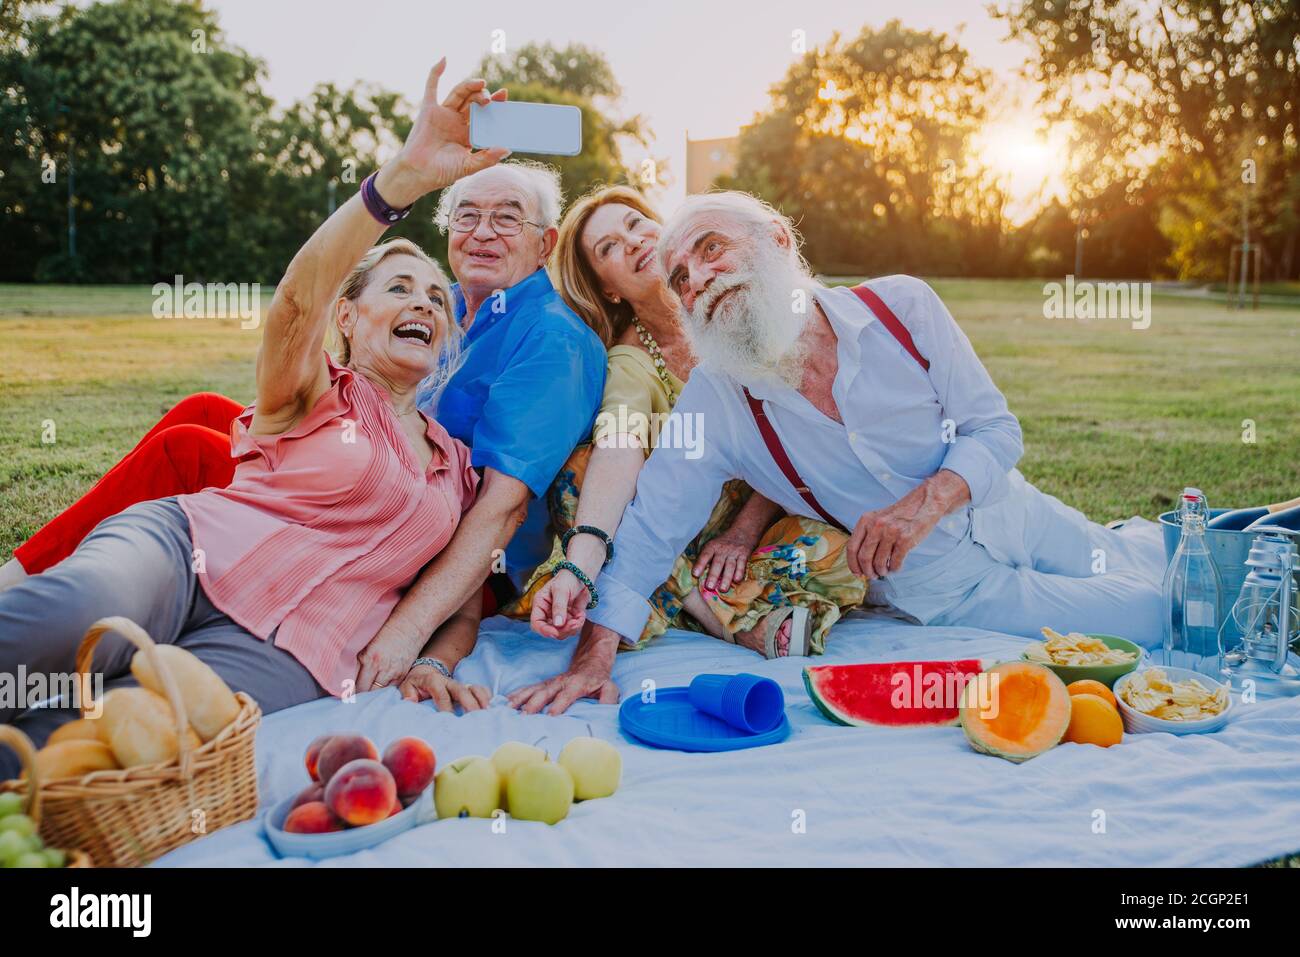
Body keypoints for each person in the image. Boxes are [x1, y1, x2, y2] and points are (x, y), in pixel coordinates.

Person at [0, 60, 504, 776]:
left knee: (86, 745)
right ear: (350, 319)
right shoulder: (315, 389)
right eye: (400, 286)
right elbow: (297, 301)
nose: (423, 302)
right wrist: (404, 179)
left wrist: (430, 658)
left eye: (435, 296)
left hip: (290, 656)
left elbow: (464, 597)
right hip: (186, 555)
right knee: (65, 618)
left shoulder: (457, 468)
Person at [0, 139, 608, 709]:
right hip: (374, 477)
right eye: (467, 214)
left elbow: (500, 511)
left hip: (451, 547)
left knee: (186, 447)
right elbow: (354, 338)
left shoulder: (552, 339)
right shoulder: (454, 304)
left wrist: (412, 638)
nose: (482, 231)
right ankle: (28, 576)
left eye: (507, 218)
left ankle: (36, 592)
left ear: (545, 242)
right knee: (203, 412)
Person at [541, 190, 1165, 690]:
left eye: (712, 249)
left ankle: (1224, 537)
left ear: (776, 241)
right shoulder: (718, 397)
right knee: (1151, 616)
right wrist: (595, 657)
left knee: (1165, 561)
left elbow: (994, 429)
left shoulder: (902, 307)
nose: (698, 278)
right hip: (953, 588)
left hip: (1017, 510)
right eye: (681, 278)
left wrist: (922, 506)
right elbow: (654, 527)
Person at [503, 186, 866, 715]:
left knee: (849, 548)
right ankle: (717, 612)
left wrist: (744, 531)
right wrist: (583, 566)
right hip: (672, 530)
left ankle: (683, 599)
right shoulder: (633, 360)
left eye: (634, 223)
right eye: (607, 248)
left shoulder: (755, 299)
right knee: (581, 477)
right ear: (608, 290)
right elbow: (620, 441)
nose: (630, 243)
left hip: (761, 515)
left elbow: (794, 439)